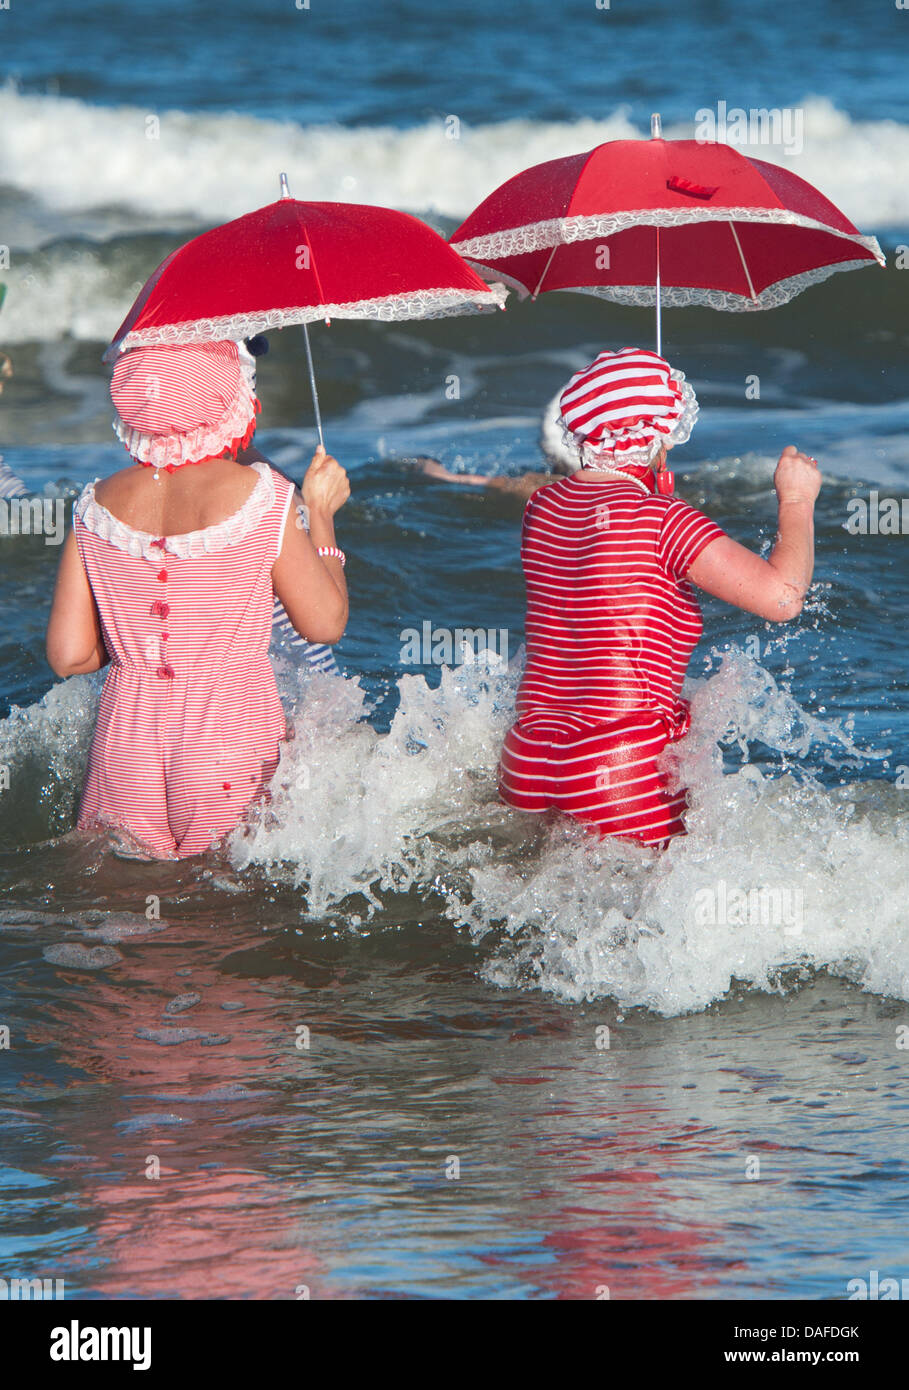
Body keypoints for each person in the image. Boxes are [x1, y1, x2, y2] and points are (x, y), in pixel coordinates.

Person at [496, 346, 821, 849]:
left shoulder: (541, 508)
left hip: (526, 761)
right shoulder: (666, 521)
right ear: (659, 441)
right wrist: (796, 501)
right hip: (616, 770)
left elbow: (607, 574)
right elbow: (783, 599)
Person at [45, 338, 350, 858]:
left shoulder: (92, 506)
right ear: (230, 399)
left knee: (122, 916)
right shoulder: (265, 498)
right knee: (224, 913)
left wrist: (135, 650)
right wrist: (321, 515)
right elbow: (325, 623)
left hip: (125, 745)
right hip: (227, 741)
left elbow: (68, 655)